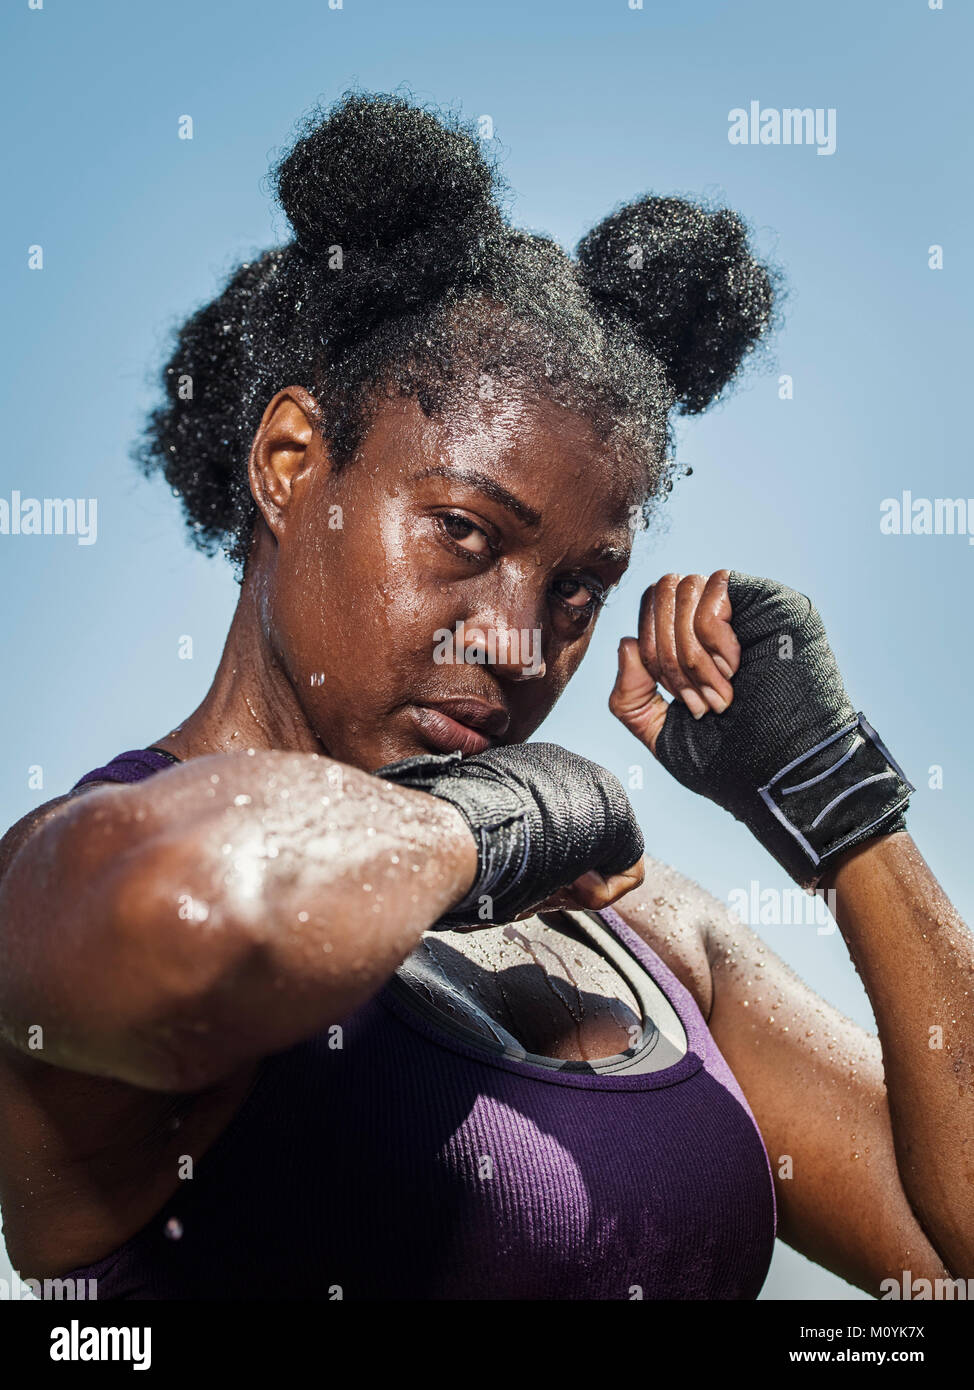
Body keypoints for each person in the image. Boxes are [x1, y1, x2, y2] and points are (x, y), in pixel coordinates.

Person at [0, 91, 970, 1301]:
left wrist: (845, 805)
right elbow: (210, 927)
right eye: (461, 530)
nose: (520, 642)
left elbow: (951, 1258)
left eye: (578, 588)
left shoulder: (641, 929)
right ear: (291, 462)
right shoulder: (76, 864)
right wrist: (495, 818)